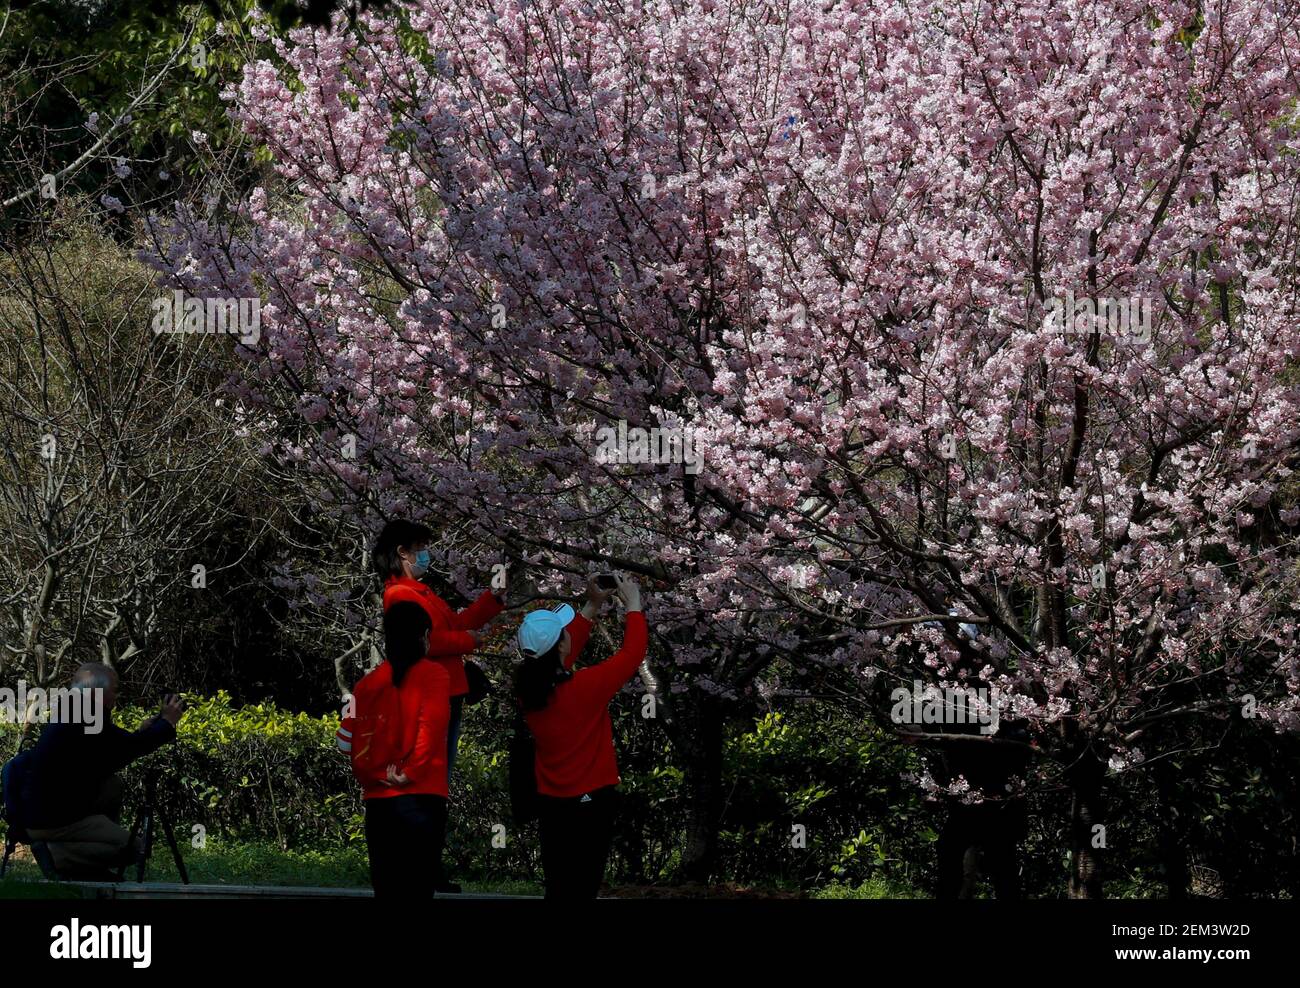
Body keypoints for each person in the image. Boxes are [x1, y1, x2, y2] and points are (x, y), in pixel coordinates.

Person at [514, 572, 647, 899]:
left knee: (559, 885)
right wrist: (634, 606)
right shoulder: (584, 688)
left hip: (552, 803)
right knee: (583, 887)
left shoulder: (528, 691)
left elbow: (553, 661)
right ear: (561, 643)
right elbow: (631, 656)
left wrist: (591, 605)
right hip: (591, 801)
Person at [5, 663, 184, 880]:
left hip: (45, 813)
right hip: (56, 820)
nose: (116, 695)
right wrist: (166, 723)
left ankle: (84, 866)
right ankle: (58, 855)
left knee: (112, 785)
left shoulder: (71, 712)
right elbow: (125, 748)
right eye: (114, 689)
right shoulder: (87, 718)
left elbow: (111, 754)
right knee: (137, 848)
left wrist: (142, 732)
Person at [344, 600, 451, 899]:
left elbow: (353, 741)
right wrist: (411, 771)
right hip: (422, 796)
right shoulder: (434, 674)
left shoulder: (366, 685)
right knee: (417, 892)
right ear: (424, 636)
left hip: (379, 800)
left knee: (388, 890)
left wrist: (376, 774)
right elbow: (431, 728)